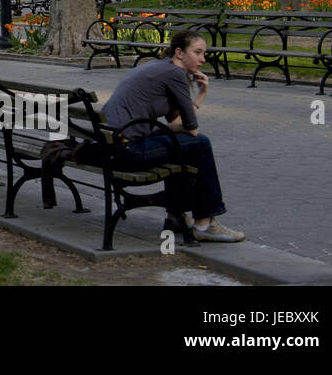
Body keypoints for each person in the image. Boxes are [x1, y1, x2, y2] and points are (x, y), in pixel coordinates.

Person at [102, 30, 244, 243]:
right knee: (201, 143)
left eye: (204, 53)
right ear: (179, 52)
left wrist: (192, 107)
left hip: (110, 146)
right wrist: (202, 94)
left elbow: (174, 125)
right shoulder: (175, 74)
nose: (202, 59)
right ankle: (205, 223)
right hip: (127, 151)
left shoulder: (157, 67)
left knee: (183, 145)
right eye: (197, 52)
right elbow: (192, 129)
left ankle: (176, 217)